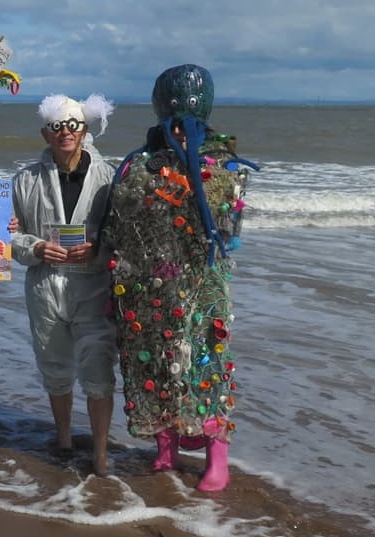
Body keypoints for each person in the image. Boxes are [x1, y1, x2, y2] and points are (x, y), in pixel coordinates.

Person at [104, 64, 259, 491]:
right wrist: (115, 282)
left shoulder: (222, 166)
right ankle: (165, 445)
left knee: (204, 364)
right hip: (146, 286)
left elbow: (228, 230)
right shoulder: (139, 165)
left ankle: (216, 454)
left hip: (201, 287)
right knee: (156, 361)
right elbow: (120, 228)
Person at [10, 93, 118, 475]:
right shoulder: (25, 180)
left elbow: (123, 234)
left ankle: (101, 453)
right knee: (53, 366)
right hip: (44, 283)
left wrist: (100, 249)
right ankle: (64, 438)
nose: (65, 133)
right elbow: (8, 234)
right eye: (57, 127)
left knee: (99, 371)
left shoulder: (110, 177)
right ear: (46, 133)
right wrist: (35, 246)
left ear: (85, 130)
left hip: (94, 284)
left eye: (73, 125)